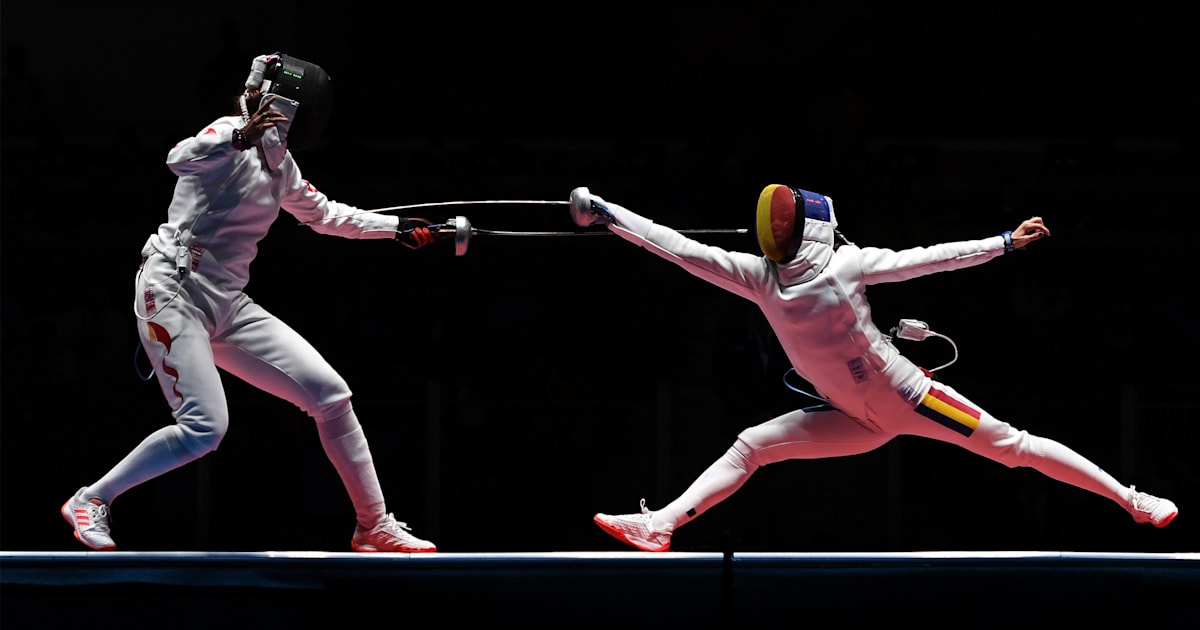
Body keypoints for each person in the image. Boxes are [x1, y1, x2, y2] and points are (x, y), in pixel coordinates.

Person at [567, 185, 1179, 552]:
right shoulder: (785, 274)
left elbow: (932, 259)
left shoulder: (824, 269)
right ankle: (661, 526)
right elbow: (677, 247)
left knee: (1013, 446)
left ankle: (1131, 500)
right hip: (856, 417)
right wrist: (610, 215)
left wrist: (1003, 243)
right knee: (752, 446)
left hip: (916, 398)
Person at [60, 53, 439, 553]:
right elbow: (179, 158)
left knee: (330, 395)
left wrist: (395, 231)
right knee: (204, 428)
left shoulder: (281, 167)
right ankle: (92, 498)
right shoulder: (226, 136)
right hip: (171, 292)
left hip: (227, 303)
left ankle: (373, 526)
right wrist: (241, 135)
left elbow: (325, 216)